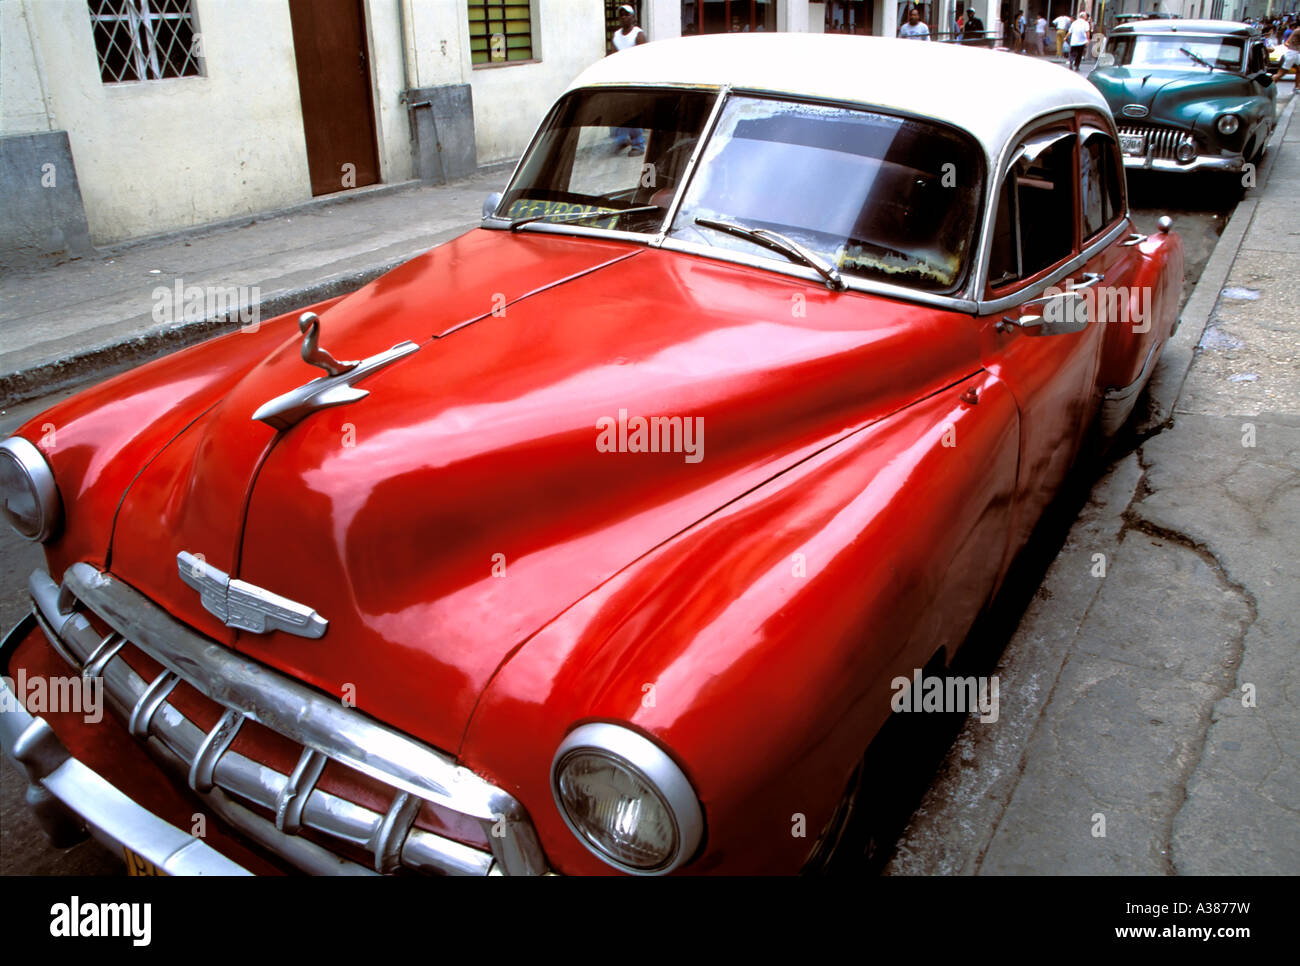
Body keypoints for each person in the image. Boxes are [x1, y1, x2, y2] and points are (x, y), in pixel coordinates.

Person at [609, 5, 647, 155]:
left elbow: (644, 56)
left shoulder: (638, 34)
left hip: (635, 78)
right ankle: (622, 139)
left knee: (633, 112)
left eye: (627, 14)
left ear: (633, 17)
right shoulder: (617, 35)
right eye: (621, 15)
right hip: (620, 78)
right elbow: (613, 56)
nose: (624, 17)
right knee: (619, 110)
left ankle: (638, 145)